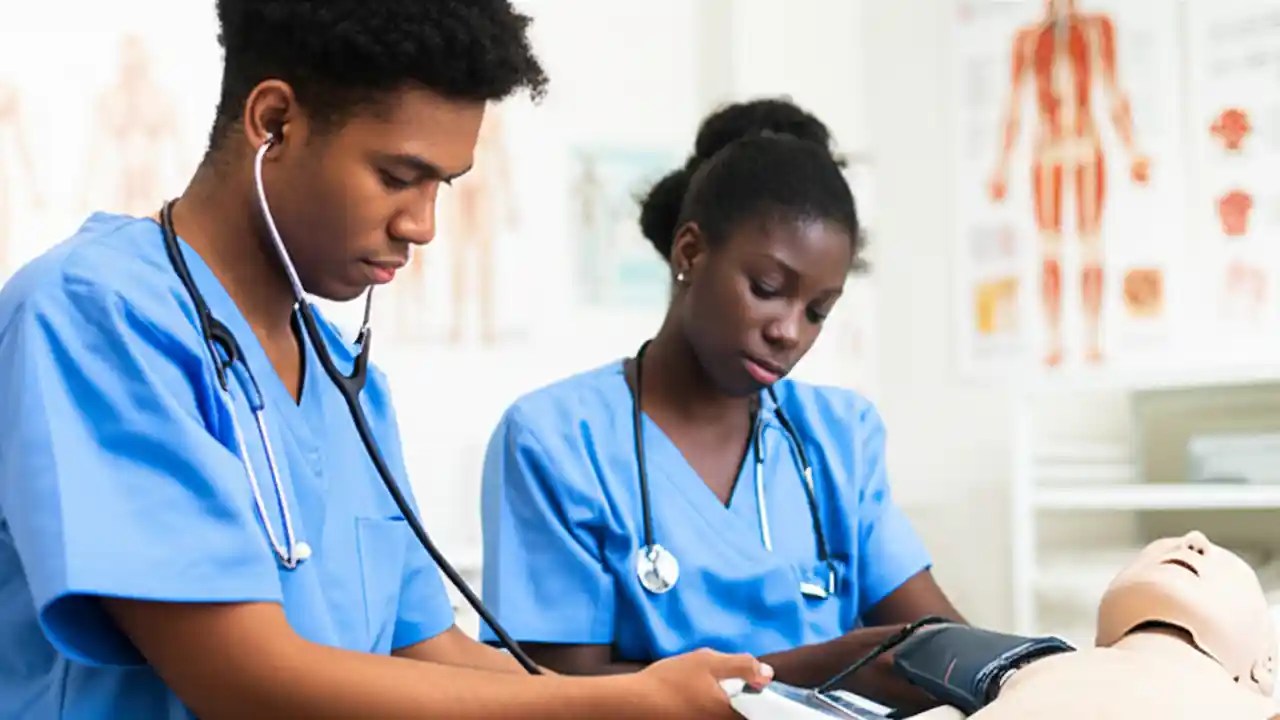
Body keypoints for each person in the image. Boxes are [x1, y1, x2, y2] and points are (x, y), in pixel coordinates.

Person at [0, 2, 773, 718]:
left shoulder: (348, 386)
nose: (424, 224)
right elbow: (240, 678)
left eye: (444, 184)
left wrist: (651, 691)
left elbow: (423, 646)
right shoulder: (96, 316)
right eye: (398, 178)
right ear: (275, 121)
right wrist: (606, 709)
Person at [479, 98, 964, 713]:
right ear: (689, 253)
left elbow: (942, 644)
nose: (790, 330)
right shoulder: (557, 440)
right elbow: (562, 694)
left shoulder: (839, 435)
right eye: (767, 289)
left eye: (819, 311)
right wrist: (823, 668)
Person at [891, 531, 1280, 718]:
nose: (1193, 539)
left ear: (1263, 666)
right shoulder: (1036, 668)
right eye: (1153, 550)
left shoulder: (1252, 707)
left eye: (1227, 566)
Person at [987, 0, 1150, 366]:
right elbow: (1014, 103)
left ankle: (1092, 339)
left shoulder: (1096, 30)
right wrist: (1001, 166)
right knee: (1051, 249)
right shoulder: (1028, 39)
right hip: (1048, 150)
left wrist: (1133, 150)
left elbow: (1112, 90)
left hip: (1086, 145)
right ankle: (1054, 341)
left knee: (1091, 245)